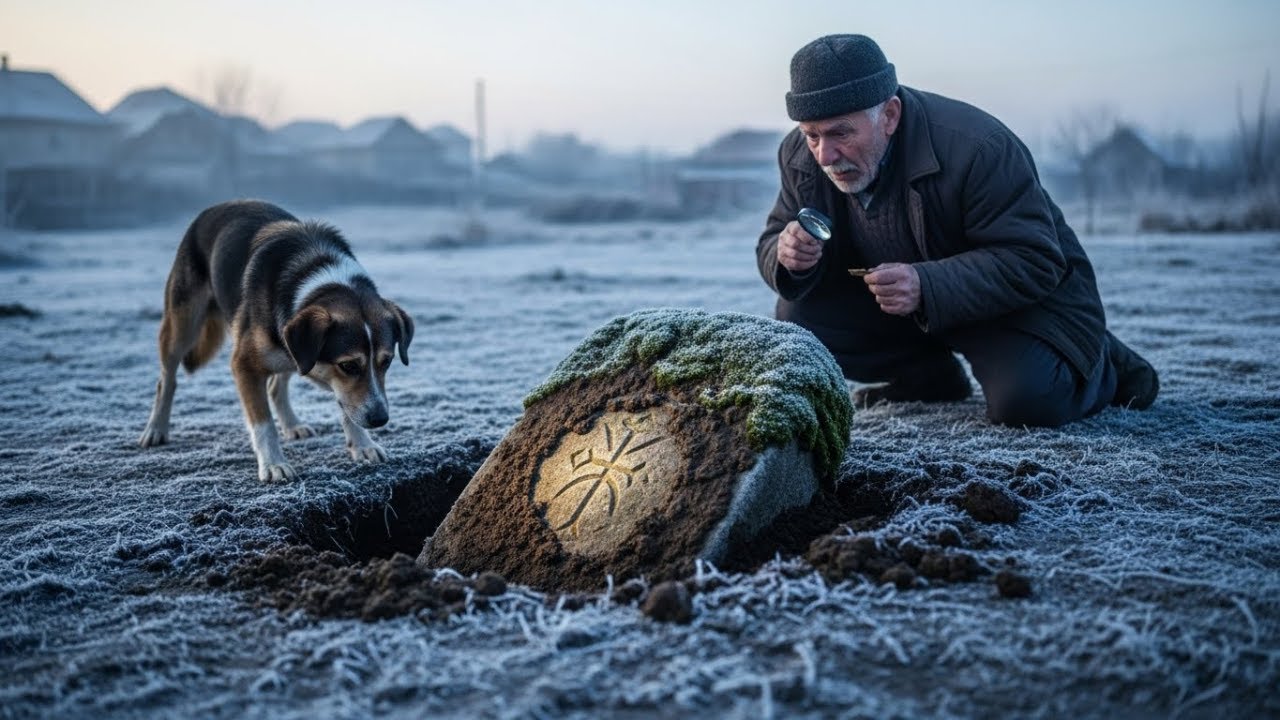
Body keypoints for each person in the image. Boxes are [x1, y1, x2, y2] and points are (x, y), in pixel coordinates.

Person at [757, 34, 1158, 427]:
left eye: (841, 133)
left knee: (1026, 402)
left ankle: (1101, 362)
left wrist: (926, 286)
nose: (825, 155)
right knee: (799, 315)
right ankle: (929, 378)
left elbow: (1035, 260)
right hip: (904, 309)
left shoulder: (980, 147)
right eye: (812, 136)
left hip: (1016, 306)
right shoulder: (800, 155)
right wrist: (787, 254)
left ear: (890, 115)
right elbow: (773, 237)